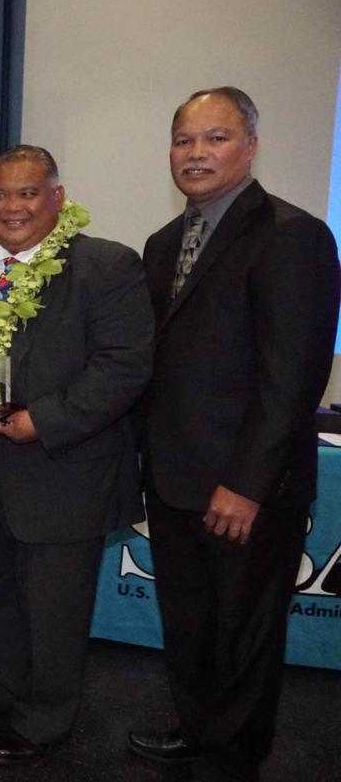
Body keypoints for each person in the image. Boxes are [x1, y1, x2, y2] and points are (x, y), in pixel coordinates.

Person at [128, 87, 340, 782]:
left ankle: (232, 758)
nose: (196, 154)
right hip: (175, 479)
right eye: (184, 140)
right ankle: (197, 732)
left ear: (250, 146)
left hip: (247, 488)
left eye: (214, 138)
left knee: (245, 630)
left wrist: (246, 484)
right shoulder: (165, 243)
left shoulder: (292, 234)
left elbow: (292, 379)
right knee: (189, 622)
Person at [0, 145, 152, 765]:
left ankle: (47, 716)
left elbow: (125, 367)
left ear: (57, 197)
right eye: (0, 195)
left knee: (54, 606)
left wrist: (44, 421)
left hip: (63, 468)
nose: (12, 207)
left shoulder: (105, 265)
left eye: (27, 193)